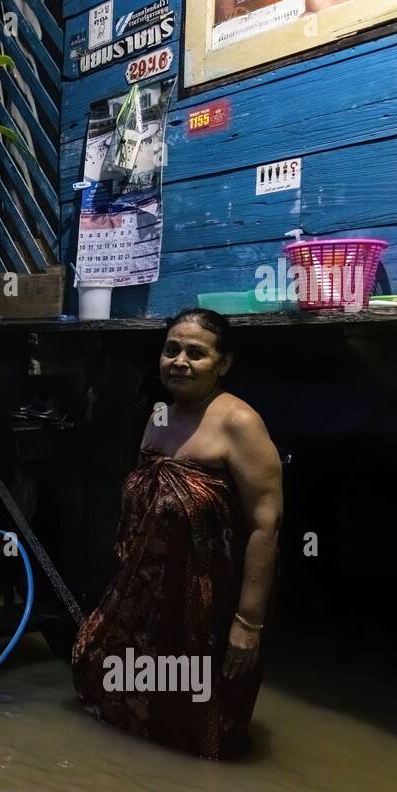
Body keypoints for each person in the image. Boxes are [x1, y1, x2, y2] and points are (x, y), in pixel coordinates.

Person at [72, 308, 283, 758]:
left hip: (205, 607)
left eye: (196, 353)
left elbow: (266, 526)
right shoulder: (160, 417)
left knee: (203, 728)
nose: (180, 361)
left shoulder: (239, 423)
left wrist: (248, 623)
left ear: (223, 363)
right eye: (171, 350)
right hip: (145, 600)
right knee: (111, 689)